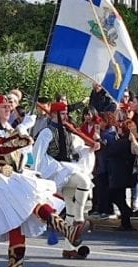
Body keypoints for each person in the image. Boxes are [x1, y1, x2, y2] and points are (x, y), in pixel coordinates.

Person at [0, 94, 67, 267]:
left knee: (18, 228)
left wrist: (23, 134)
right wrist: (22, 132)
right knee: (31, 198)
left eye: (9, 106)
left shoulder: (9, 129)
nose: (8, 109)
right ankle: (65, 229)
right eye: (3, 106)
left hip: (11, 176)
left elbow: (22, 156)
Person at [33, 101, 98, 251]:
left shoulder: (68, 130)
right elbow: (38, 154)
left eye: (66, 113)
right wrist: (39, 175)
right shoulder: (47, 132)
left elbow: (78, 146)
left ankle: (69, 248)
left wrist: (90, 147)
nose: (65, 116)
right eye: (62, 114)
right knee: (83, 182)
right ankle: (79, 219)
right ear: (55, 114)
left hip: (69, 168)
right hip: (56, 172)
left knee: (71, 207)